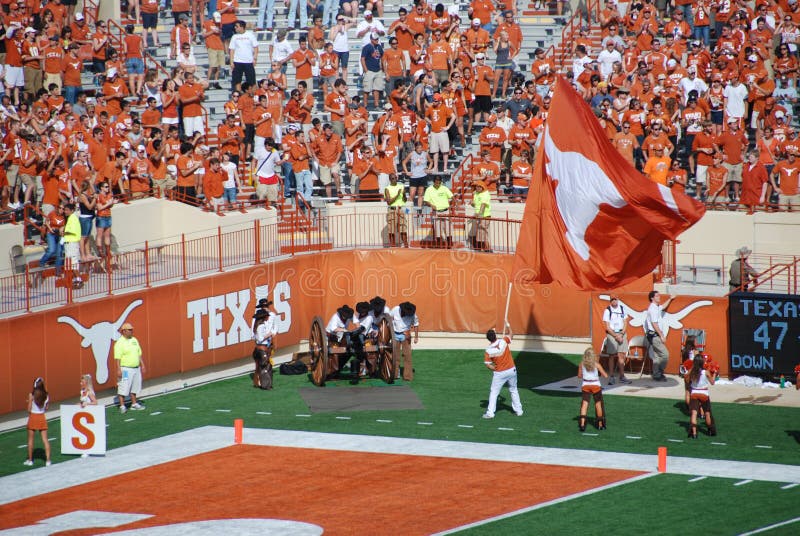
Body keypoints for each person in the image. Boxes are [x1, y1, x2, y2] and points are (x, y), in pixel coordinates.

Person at [482, 321, 523, 419]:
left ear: (488, 339)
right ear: (495, 336)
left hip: (500, 373)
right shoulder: (503, 341)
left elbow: (488, 365)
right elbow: (512, 335)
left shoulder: (488, 350)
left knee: (494, 392)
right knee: (513, 390)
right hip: (511, 370)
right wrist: (508, 325)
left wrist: (495, 368)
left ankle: (490, 413)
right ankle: (519, 411)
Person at [114, 322, 146, 414]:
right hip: (125, 369)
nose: (132, 331)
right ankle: (122, 405)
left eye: (132, 329)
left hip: (136, 368)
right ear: (124, 331)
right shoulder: (120, 343)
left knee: (135, 386)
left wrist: (142, 365)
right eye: (130, 330)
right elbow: (118, 357)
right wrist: (118, 369)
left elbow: (139, 354)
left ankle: (134, 403)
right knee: (123, 386)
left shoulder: (134, 340)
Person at [644, 290, 675, 382]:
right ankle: (659, 372)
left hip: (654, 335)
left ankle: (656, 374)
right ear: (652, 298)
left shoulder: (656, 307)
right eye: (657, 296)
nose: (659, 297)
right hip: (654, 335)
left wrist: (670, 299)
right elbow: (654, 323)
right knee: (665, 354)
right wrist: (661, 335)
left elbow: (663, 306)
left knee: (657, 357)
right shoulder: (652, 309)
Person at [602, 295, 631, 385]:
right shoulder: (607, 310)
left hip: (621, 334)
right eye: (612, 300)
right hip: (612, 334)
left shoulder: (622, 309)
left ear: (618, 300)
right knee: (611, 356)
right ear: (610, 301)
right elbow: (607, 326)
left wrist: (621, 334)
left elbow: (625, 322)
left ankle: (622, 376)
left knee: (621, 355)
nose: (614, 301)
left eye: (615, 299)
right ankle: (611, 377)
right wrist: (616, 336)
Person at [577, 347, 607, 432]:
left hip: (585, 385)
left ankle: (582, 424)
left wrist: (585, 375)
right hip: (596, 385)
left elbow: (579, 376)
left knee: (585, 404)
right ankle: (600, 424)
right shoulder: (596, 364)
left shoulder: (581, 364)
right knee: (598, 404)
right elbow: (605, 375)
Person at [686, 354, 716, 438]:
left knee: (694, 414)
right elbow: (712, 382)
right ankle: (710, 430)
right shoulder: (705, 372)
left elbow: (686, 379)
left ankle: (694, 434)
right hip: (704, 394)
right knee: (707, 413)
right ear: (702, 362)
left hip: (694, 394)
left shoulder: (692, 371)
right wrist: (714, 374)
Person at [24, 377, 51, 467]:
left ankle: (30, 460)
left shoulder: (31, 395)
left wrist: (29, 402)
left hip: (33, 417)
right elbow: (47, 408)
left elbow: (28, 409)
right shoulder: (46, 395)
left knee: (31, 440)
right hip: (42, 417)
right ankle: (48, 461)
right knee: (45, 440)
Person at [391, 301, 419, 381]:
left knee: (407, 355)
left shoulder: (413, 314)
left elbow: (416, 324)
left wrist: (416, 337)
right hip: (395, 335)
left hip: (406, 335)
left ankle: (407, 376)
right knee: (395, 355)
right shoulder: (396, 309)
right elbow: (388, 317)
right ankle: (395, 374)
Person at [423, 175, 453, 248]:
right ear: (434, 182)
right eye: (436, 182)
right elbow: (426, 201)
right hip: (436, 212)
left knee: (448, 229)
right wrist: (431, 205)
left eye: (439, 182)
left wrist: (454, 204)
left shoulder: (444, 188)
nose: (438, 184)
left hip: (446, 211)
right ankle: (439, 246)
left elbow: (452, 196)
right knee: (438, 230)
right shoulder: (429, 189)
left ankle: (449, 246)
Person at [252, 305, 276, 390]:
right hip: (262, 350)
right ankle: (266, 385)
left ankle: (258, 383)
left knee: (259, 367)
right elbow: (261, 338)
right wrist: (269, 335)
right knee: (266, 367)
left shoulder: (256, 325)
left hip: (258, 349)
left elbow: (255, 338)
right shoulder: (261, 326)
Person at [384, 173, 408, 247]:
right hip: (392, 209)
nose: (394, 180)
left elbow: (405, 200)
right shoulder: (387, 188)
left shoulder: (401, 186)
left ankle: (405, 244)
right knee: (391, 229)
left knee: (403, 228)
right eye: (392, 178)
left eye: (395, 178)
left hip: (401, 209)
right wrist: (397, 195)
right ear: (390, 180)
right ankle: (392, 245)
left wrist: (404, 194)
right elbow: (389, 202)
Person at [469, 180, 491, 251]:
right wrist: (472, 203)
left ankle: (487, 248)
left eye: (479, 186)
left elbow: (483, 204)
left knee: (483, 232)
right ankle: (481, 248)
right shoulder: (476, 194)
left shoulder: (486, 194)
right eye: (476, 186)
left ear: (482, 187)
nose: (477, 188)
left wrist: (480, 213)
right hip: (478, 216)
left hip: (484, 216)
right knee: (480, 232)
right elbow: (475, 205)